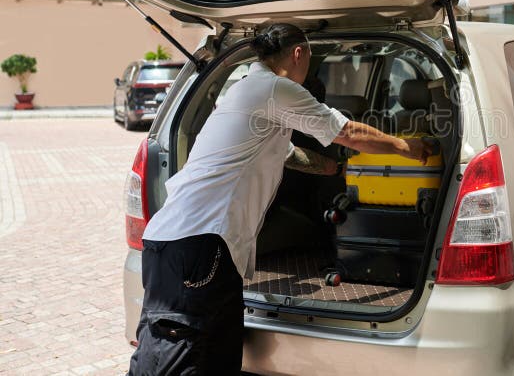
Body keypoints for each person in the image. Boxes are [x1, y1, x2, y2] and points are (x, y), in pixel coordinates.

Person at [128, 23, 435, 375]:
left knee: (215, 357)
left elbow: (287, 154)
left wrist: (334, 170)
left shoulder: (248, 91)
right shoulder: (274, 88)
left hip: (181, 246)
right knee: (180, 361)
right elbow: (346, 130)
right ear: (299, 53)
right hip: (196, 248)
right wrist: (407, 147)